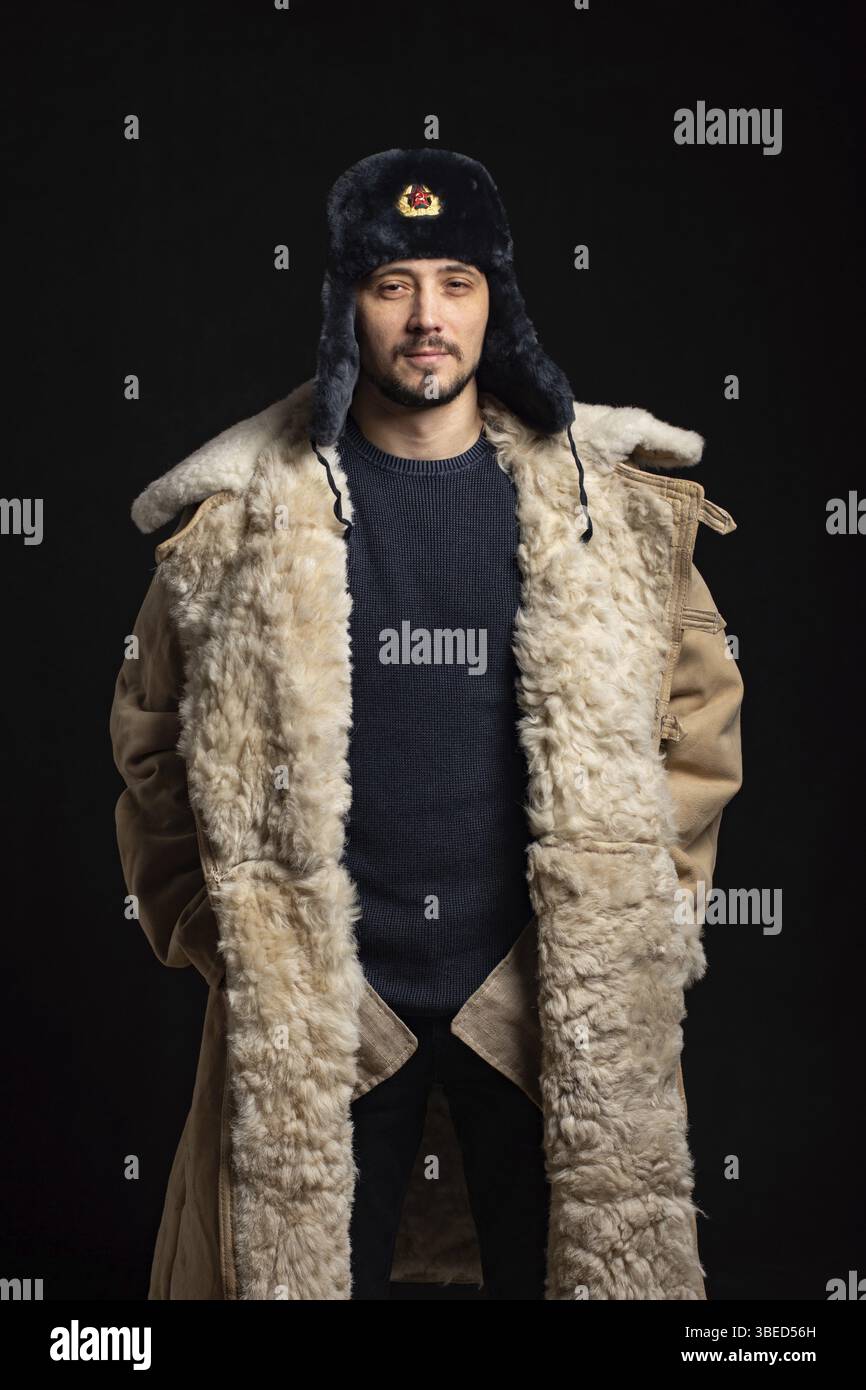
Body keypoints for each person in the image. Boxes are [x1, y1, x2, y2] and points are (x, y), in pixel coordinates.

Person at [110, 147, 744, 1301]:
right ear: (345, 303)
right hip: (334, 1011)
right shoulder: (238, 530)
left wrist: (646, 920)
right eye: (391, 283)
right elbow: (151, 747)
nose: (424, 317)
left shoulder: (602, 513)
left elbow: (697, 724)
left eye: (454, 281)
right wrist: (239, 949)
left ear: (492, 300)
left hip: (539, 1000)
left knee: (585, 1276)